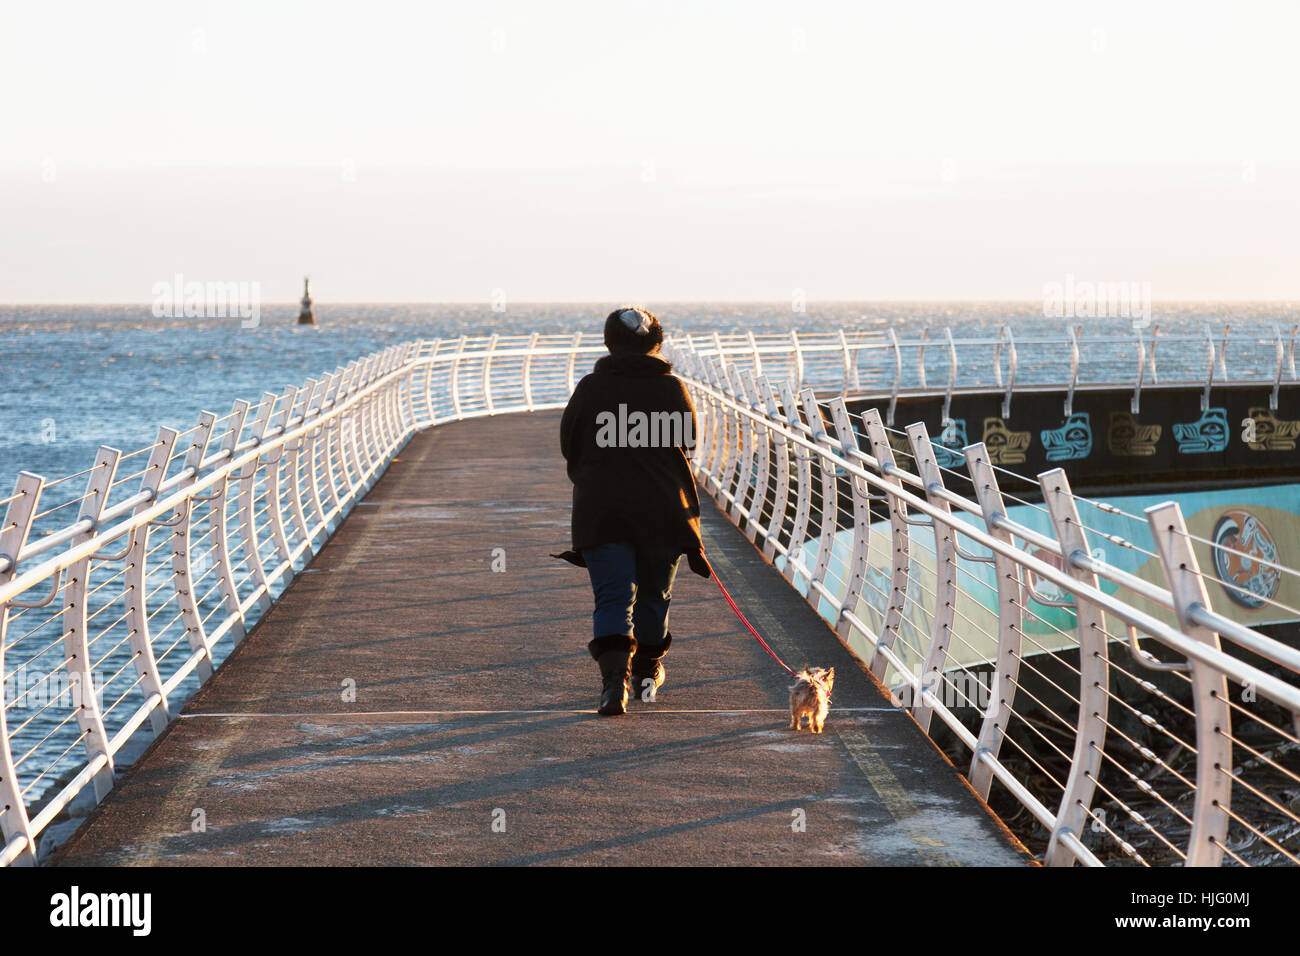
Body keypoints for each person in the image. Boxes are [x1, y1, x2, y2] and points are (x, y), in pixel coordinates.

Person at [555, 307, 712, 716]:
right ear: (656, 344)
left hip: (602, 511)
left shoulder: (591, 388)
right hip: (663, 511)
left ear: (609, 343)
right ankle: (646, 672)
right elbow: (689, 438)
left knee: (612, 598)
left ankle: (613, 685)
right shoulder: (670, 388)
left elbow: (569, 444)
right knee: (653, 598)